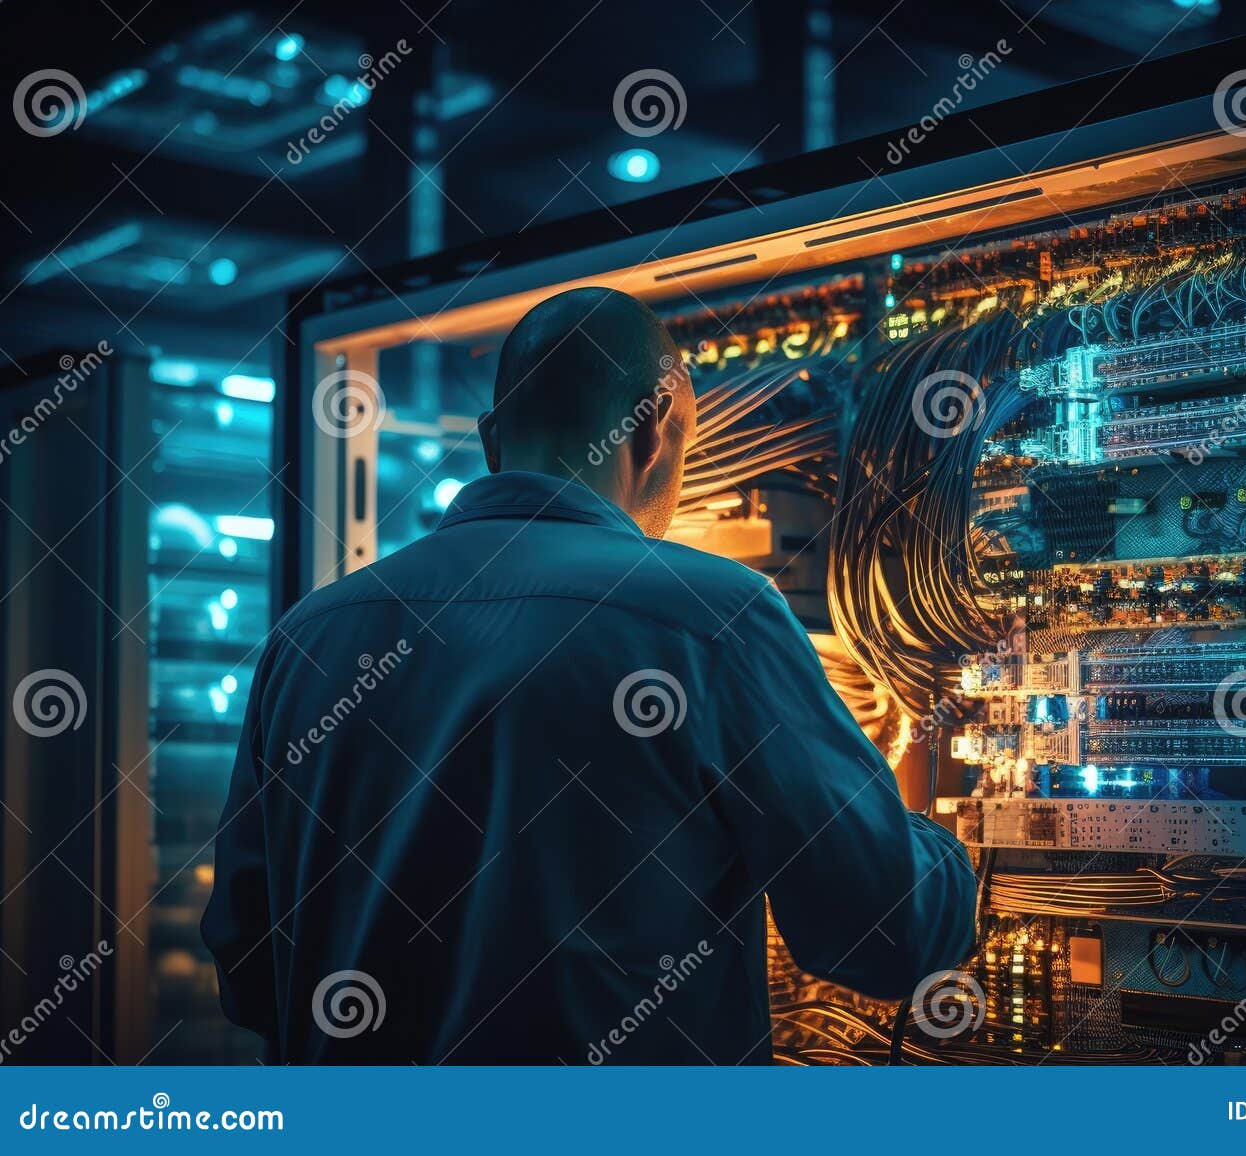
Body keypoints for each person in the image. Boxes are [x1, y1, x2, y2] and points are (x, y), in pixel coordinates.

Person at [202, 286, 977, 1063]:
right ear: (651, 428)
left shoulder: (308, 637)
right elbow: (889, 935)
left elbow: (247, 966)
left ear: (492, 439)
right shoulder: (716, 617)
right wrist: (952, 839)